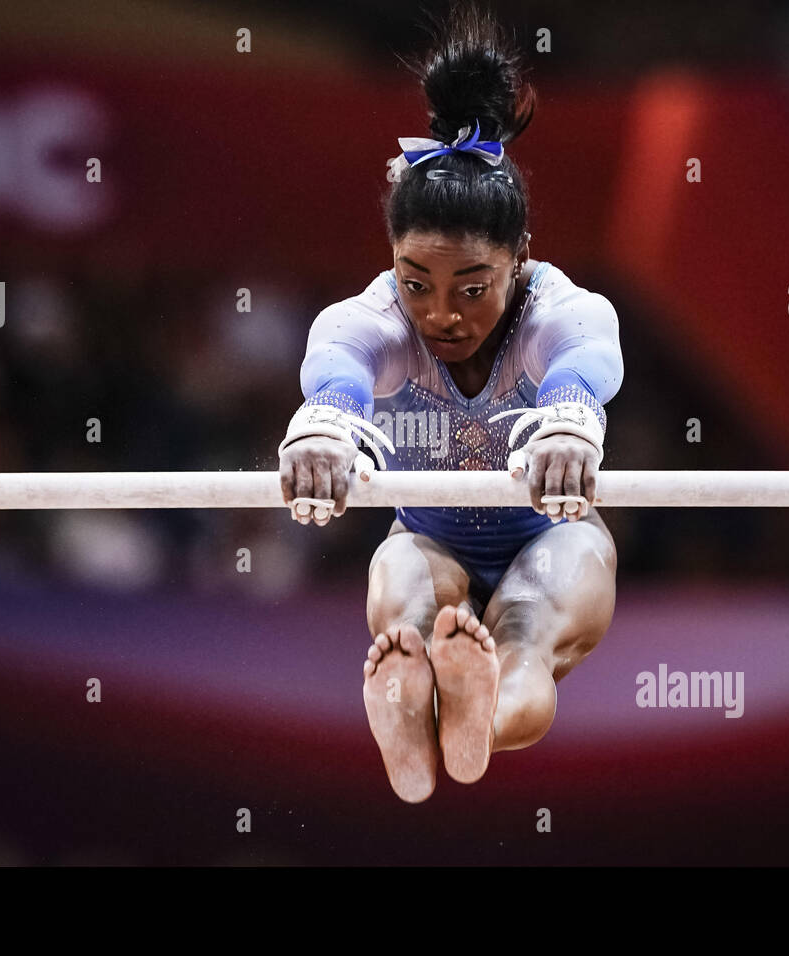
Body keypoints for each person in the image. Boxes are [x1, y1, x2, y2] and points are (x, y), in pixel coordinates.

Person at [277, 3, 623, 802]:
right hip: (429, 537)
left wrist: (571, 417)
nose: (441, 314)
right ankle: (418, 700)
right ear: (391, 263)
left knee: (526, 632)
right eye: (416, 283)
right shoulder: (378, 318)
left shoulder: (554, 308)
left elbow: (589, 347)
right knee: (403, 595)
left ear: (521, 258)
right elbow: (338, 354)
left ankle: (472, 719)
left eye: (473, 287)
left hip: (552, 534)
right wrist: (327, 425)